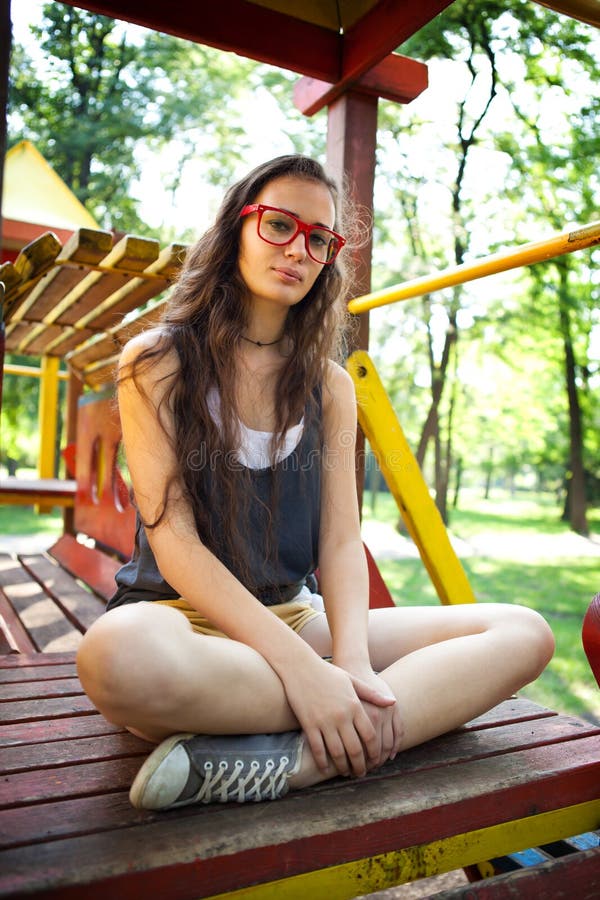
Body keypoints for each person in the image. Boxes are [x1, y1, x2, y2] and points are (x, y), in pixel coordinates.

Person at [76, 154, 554, 810]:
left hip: (298, 617)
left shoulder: (329, 386)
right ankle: (346, 719)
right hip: (177, 623)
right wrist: (308, 676)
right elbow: (176, 544)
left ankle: (302, 762)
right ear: (235, 230)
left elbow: (340, 545)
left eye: (320, 238)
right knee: (113, 658)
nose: (299, 248)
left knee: (523, 631)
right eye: (278, 225)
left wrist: (351, 663)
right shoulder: (156, 362)